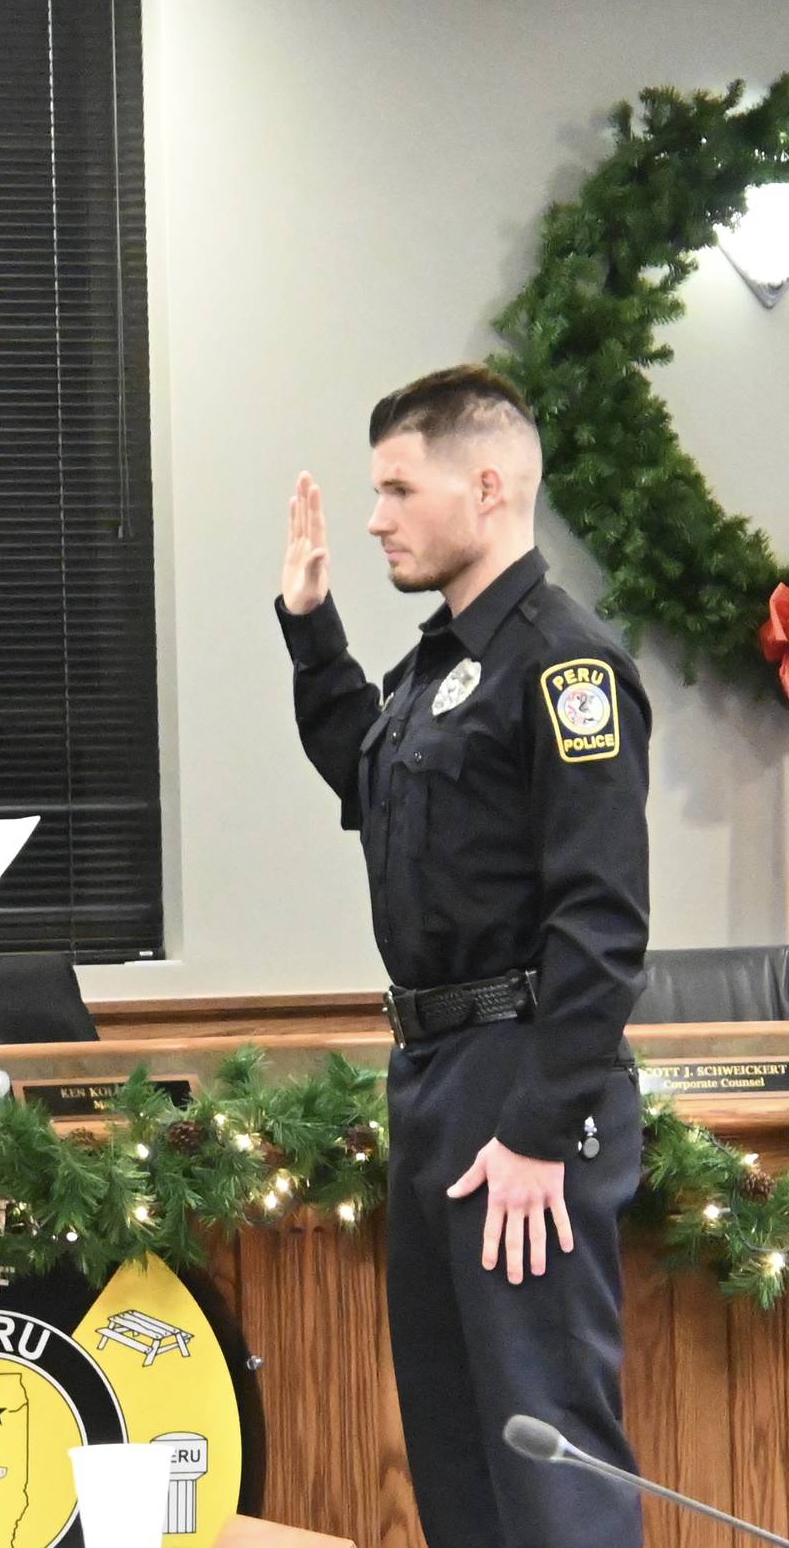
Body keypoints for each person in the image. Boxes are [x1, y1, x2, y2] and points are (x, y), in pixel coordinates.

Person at [275, 366, 650, 1548]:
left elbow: (601, 920)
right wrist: (312, 631)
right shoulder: (442, 663)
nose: (376, 514)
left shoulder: (564, 665)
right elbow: (373, 781)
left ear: (486, 486)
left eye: (397, 486)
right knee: (451, 1436)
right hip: (435, 1075)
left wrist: (541, 1129)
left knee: (545, 1445)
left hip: (519, 1078)